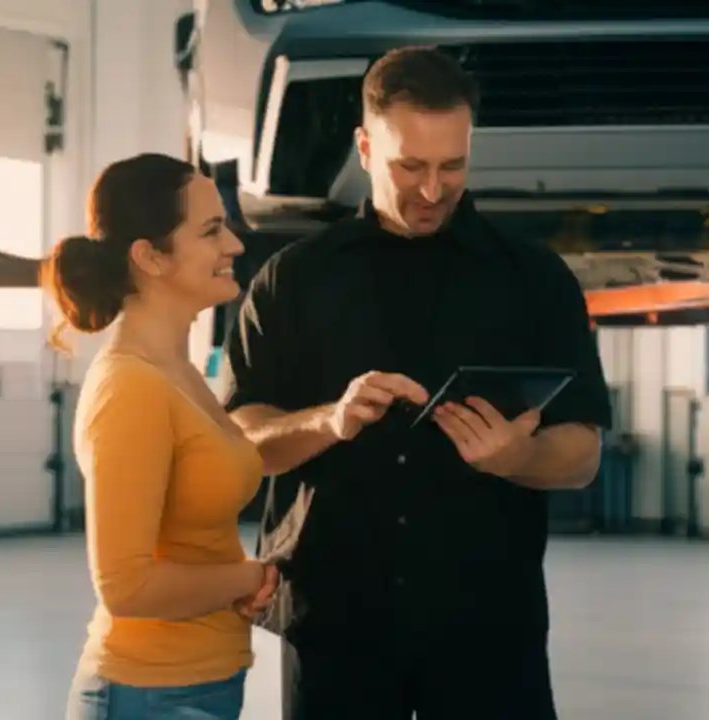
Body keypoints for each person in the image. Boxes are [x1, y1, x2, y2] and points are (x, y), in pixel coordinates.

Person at [224, 47, 613, 719]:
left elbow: (582, 453)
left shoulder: (535, 280)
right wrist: (329, 422)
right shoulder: (290, 280)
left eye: (452, 165)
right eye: (411, 166)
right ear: (366, 147)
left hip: (489, 631)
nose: (432, 190)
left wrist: (518, 458)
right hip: (335, 629)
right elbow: (239, 441)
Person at [45, 153, 280, 720]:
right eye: (211, 231)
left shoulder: (178, 372)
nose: (236, 246)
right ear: (150, 256)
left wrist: (337, 421)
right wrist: (251, 578)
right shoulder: (131, 386)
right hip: (148, 695)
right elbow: (125, 585)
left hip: (198, 684)